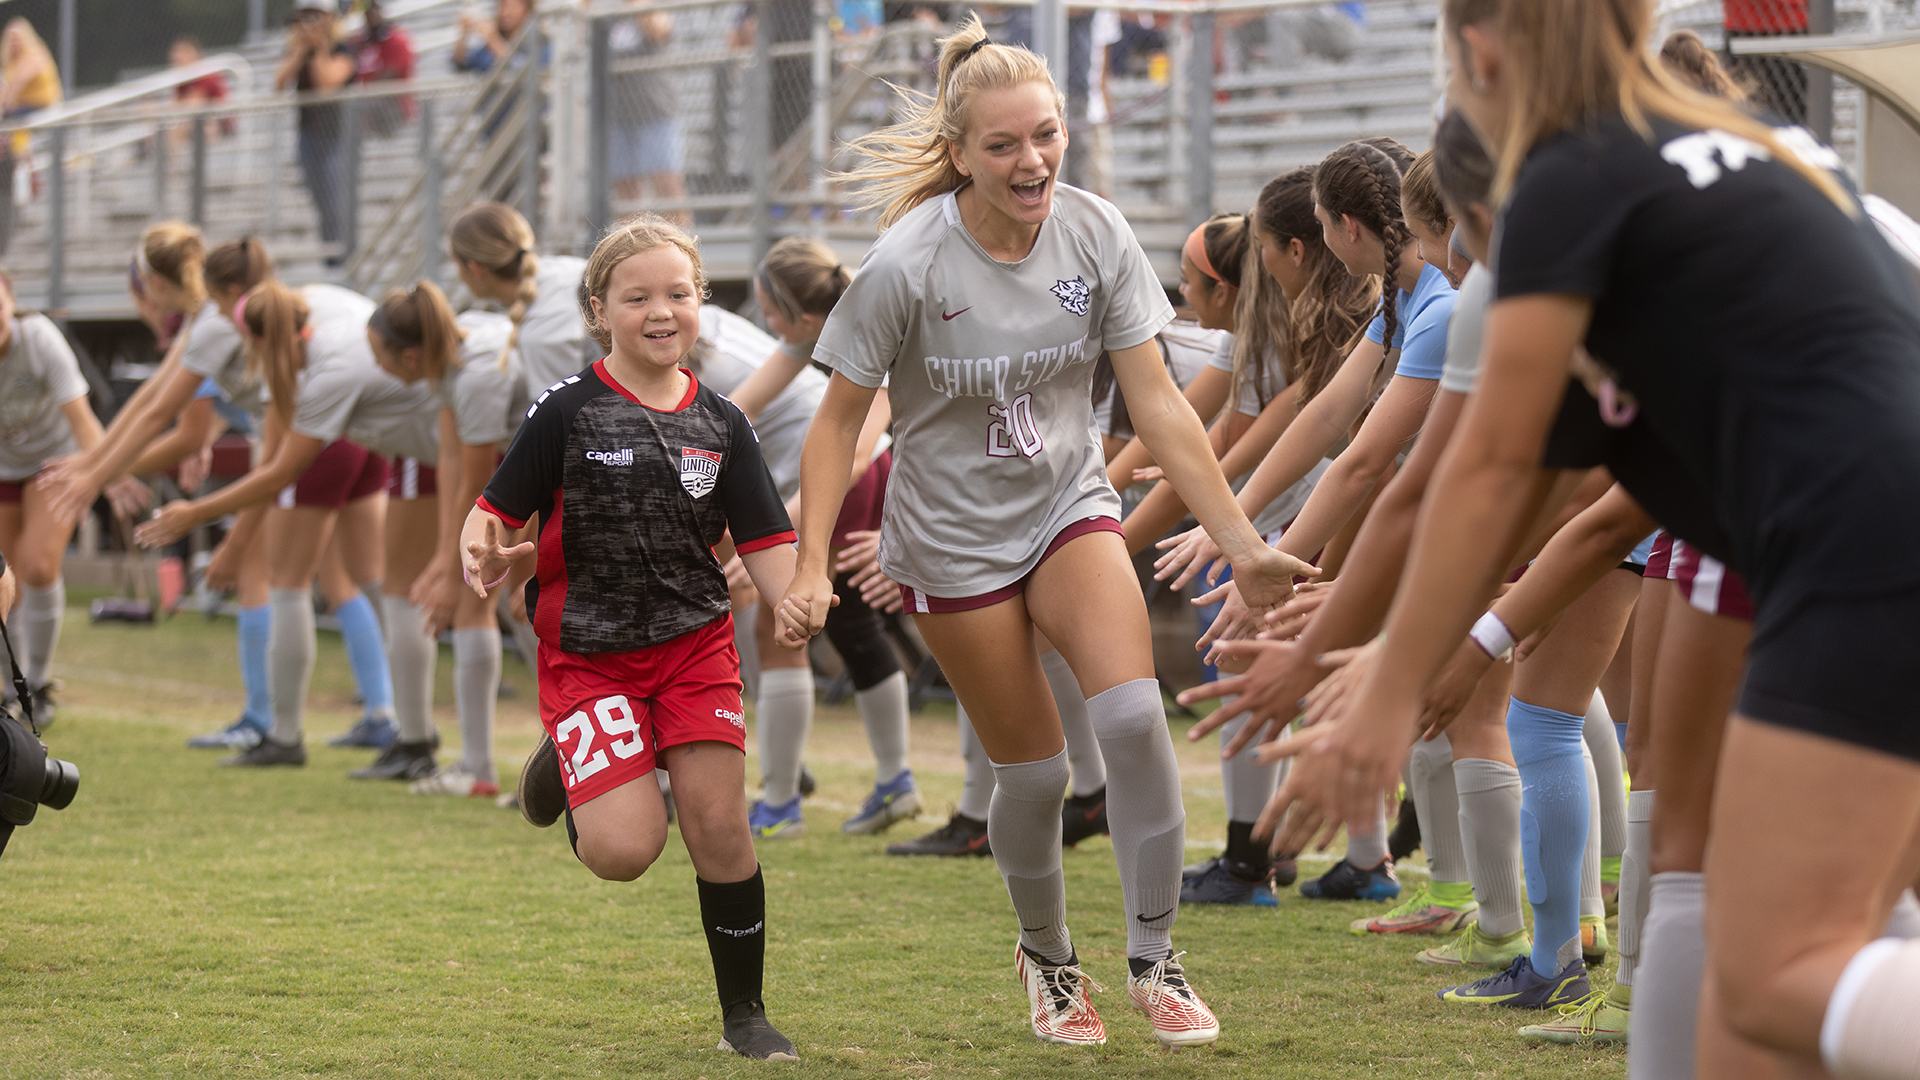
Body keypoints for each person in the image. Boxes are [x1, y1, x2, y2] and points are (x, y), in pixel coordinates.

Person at [1260, 1, 1920, 1076]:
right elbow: (1544, 476)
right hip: (1841, 539)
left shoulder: (1573, 172)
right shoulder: (1764, 145)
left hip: (1852, 546)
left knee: (1775, 971)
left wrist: (1385, 688)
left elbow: (1482, 469)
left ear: (1480, 53)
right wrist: (1382, 649)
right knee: (1820, 943)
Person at [779, 17, 1310, 1049]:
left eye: (1048, 136)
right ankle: (1050, 961)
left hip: (1070, 508)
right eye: (1005, 145)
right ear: (962, 154)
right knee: (1032, 777)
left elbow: (1157, 406)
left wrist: (1240, 540)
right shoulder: (906, 263)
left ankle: (1156, 958)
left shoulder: (1097, 230)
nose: (1033, 162)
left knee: (1130, 721)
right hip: (950, 542)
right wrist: (809, 568)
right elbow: (838, 422)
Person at [463, 214, 802, 1062]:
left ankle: (746, 1018)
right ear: (599, 309)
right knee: (622, 851)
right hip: (590, 654)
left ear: (700, 306)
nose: (662, 311)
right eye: (638, 296)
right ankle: (575, 770)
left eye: (679, 294)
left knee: (719, 827)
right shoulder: (567, 411)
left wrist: (797, 600)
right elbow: (492, 509)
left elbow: (766, 541)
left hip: (695, 647)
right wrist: (483, 546)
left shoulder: (723, 422)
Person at [135, 282, 431, 774]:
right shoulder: (313, 309)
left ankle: (283, 732)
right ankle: (396, 721)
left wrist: (203, 517)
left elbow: (276, 471)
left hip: (355, 445)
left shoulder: (307, 372)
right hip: (373, 446)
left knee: (288, 584)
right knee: (377, 582)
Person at [37, 229, 287, 750]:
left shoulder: (213, 325)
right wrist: (98, 464)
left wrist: (96, 472)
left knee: (264, 574)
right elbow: (161, 401)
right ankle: (295, 722)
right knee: (308, 577)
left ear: (151, 283)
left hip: (293, 436)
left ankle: (269, 725)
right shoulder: (208, 321)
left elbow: (161, 415)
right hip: (289, 431)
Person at [722, 237, 918, 839]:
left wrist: (779, 530)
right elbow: (736, 408)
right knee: (855, 625)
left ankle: (780, 801)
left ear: (805, 317)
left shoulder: (873, 333)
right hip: (866, 480)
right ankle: (896, 782)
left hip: (872, 483)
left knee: (781, 626)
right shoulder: (804, 335)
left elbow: (856, 452)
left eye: (770, 310)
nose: (764, 322)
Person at [0, 270, 101, 727]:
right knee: (4, 578)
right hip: (2, 469)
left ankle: (36, 685)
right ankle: (9, 689)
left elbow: (81, 419)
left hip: (52, 463)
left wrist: (106, 472)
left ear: (11, 301)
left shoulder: (38, 338)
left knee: (38, 565)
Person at [449, 202, 595, 397]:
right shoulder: (568, 268)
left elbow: (566, 421)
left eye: (456, 264)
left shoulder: (541, 331)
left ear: (475, 269)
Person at [275, 0, 357, 265]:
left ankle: (344, 259)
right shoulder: (295, 52)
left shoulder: (342, 50)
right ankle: (332, 259)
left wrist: (320, 47)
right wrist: (300, 51)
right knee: (321, 201)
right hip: (310, 137)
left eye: (314, 17)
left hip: (338, 138)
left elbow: (326, 86)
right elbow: (278, 83)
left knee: (338, 201)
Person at [608, 3, 686, 218]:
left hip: (655, 111)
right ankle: (630, 247)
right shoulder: (609, 15)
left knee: (667, 184)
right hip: (617, 115)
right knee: (625, 189)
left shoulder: (650, 8)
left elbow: (659, 31)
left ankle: (683, 245)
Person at [348, 1, 417, 136]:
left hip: (393, 110)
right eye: (368, 12)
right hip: (367, 113)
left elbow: (393, 73)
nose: (371, 16)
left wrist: (364, 89)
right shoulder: (360, 43)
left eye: (375, 10)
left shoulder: (398, 40)